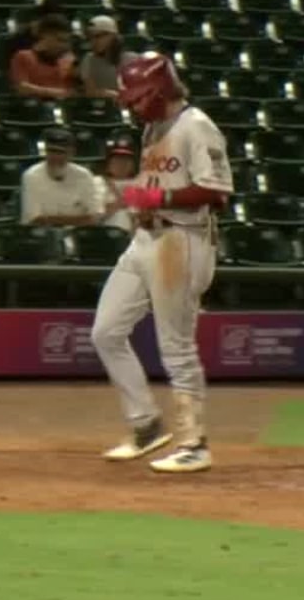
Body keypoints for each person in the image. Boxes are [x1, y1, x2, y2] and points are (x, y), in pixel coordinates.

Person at [92, 54, 234, 474]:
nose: (132, 107)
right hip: (146, 238)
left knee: (175, 345)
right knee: (106, 331)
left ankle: (195, 442)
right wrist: (143, 198)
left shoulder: (197, 126)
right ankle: (146, 425)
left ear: (158, 91)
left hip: (182, 240)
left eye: (138, 99)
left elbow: (218, 191)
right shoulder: (153, 128)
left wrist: (161, 199)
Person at [20, 128, 102, 227]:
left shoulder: (84, 175)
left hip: (75, 235)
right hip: (42, 236)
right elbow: (35, 220)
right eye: (51, 151)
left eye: (61, 152)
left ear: (71, 153)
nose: (55, 157)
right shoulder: (31, 176)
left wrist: (51, 219)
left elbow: (94, 217)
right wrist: (78, 219)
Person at [8, 13, 78, 100]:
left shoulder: (69, 60)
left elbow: (75, 91)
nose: (65, 46)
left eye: (67, 41)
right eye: (60, 40)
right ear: (45, 36)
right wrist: (57, 93)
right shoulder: (23, 57)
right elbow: (22, 88)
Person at [80, 15, 135, 99]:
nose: (93, 42)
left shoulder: (132, 59)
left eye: (98, 36)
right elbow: (90, 91)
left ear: (113, 36)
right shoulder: (88, 59)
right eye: (90, 38)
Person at [94, 133, 138, 232]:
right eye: (117, 160)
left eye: (126, 160)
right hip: (105, 233)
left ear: (133, 165)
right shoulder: (97, 182)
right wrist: (119, 203)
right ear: (108, 163)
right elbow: (95, 217)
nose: (121, 164)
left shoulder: (142, 183)